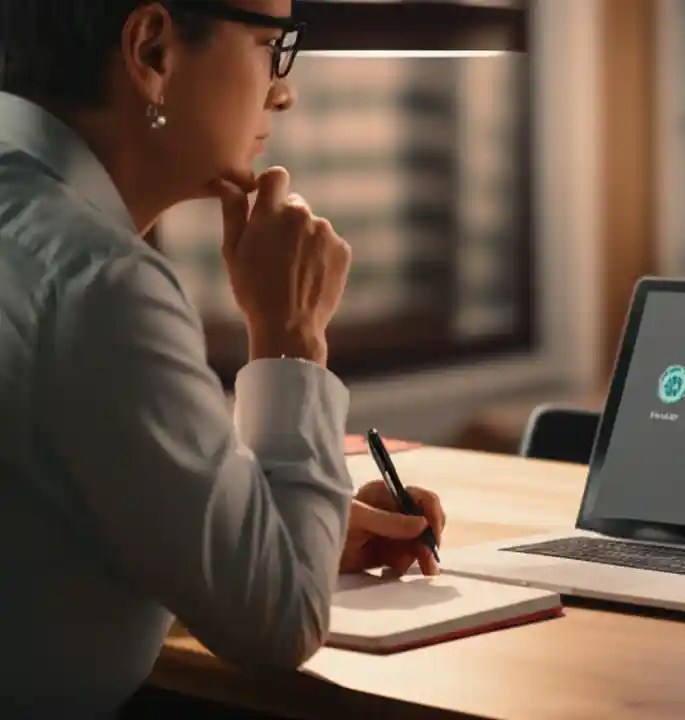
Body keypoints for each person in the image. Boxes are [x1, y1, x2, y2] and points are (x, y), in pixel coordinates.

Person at [0, 1, 446, 716]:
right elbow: (277, 623)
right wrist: (292, 336)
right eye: (273, 43)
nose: (284, 89)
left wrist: (275, 529)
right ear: (152, 52)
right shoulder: (100, 285)